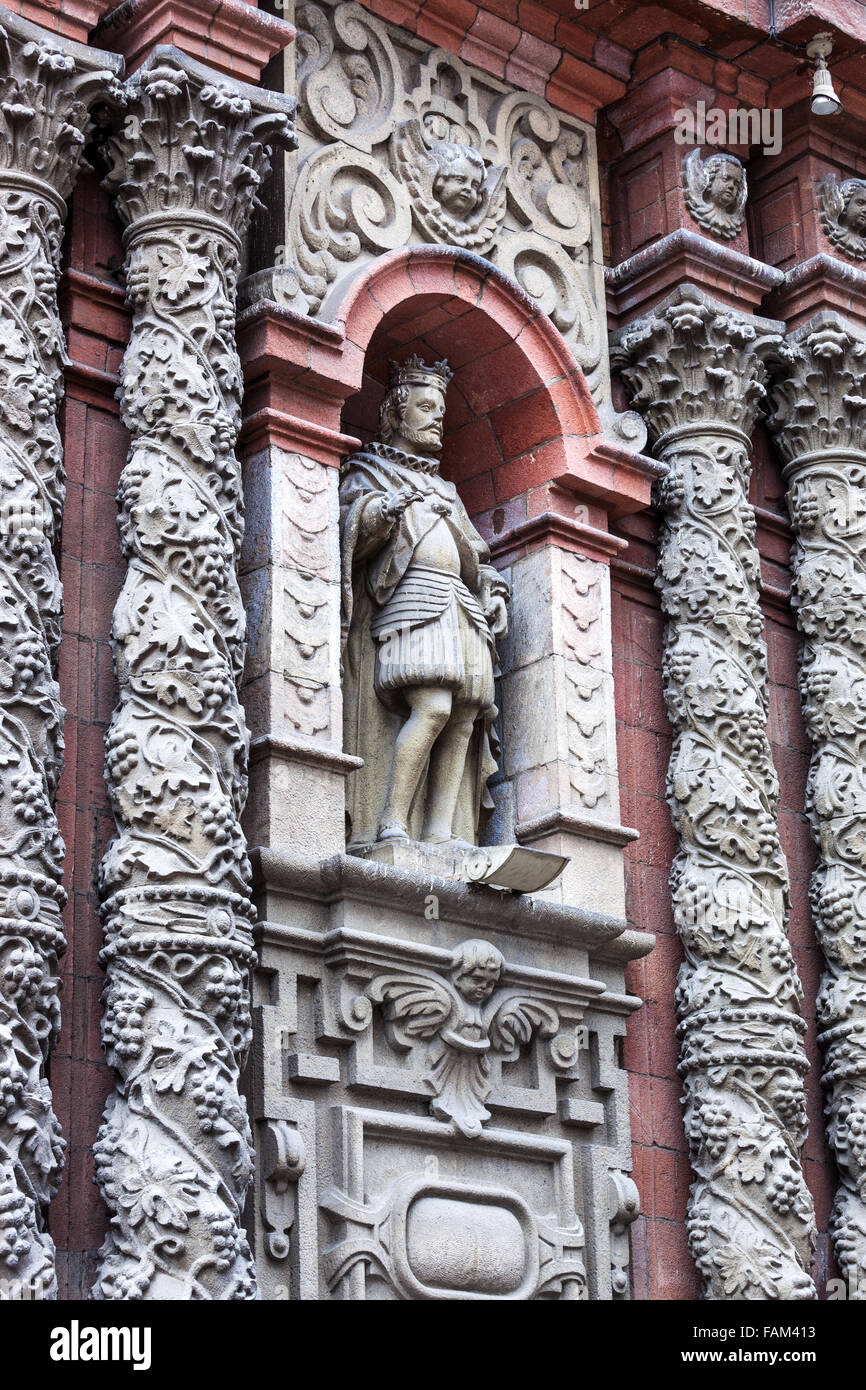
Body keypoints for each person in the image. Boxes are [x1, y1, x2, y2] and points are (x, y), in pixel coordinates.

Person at [340, 354, 508, 848]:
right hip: (411, 604)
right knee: (432, 706)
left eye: (441, 409)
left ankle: (440, 832)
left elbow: (479, 552)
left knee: (462, 716)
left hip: (460, 606)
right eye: (427, 406)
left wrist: (493, 591)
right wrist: (389, 510)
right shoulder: (370, 471)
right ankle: (391, 822)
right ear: (396, 411)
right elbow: (349, 524)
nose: (438, 417)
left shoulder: (448, 489)